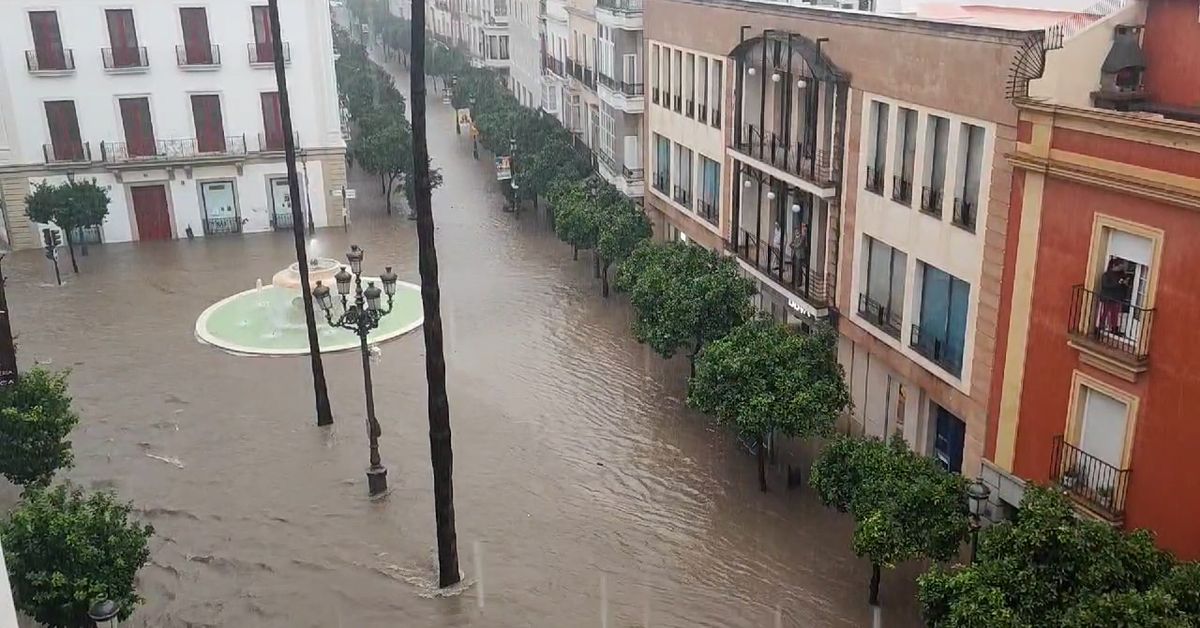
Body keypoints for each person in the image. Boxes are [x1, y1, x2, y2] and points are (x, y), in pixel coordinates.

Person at [1098, 258, 1130, 335]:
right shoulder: (1106, 275)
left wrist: (1125, 284)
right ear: (1114, 266)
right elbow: (1106, 285)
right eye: (1120, 265)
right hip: (1107, 298)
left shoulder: (1122, 275)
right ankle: (1100, 327)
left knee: (1115, 314)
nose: (1121, 267)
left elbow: (1124, 287)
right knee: (1104, 313)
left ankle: (1114, 329)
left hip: (1116, 299)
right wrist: (1119, 283)